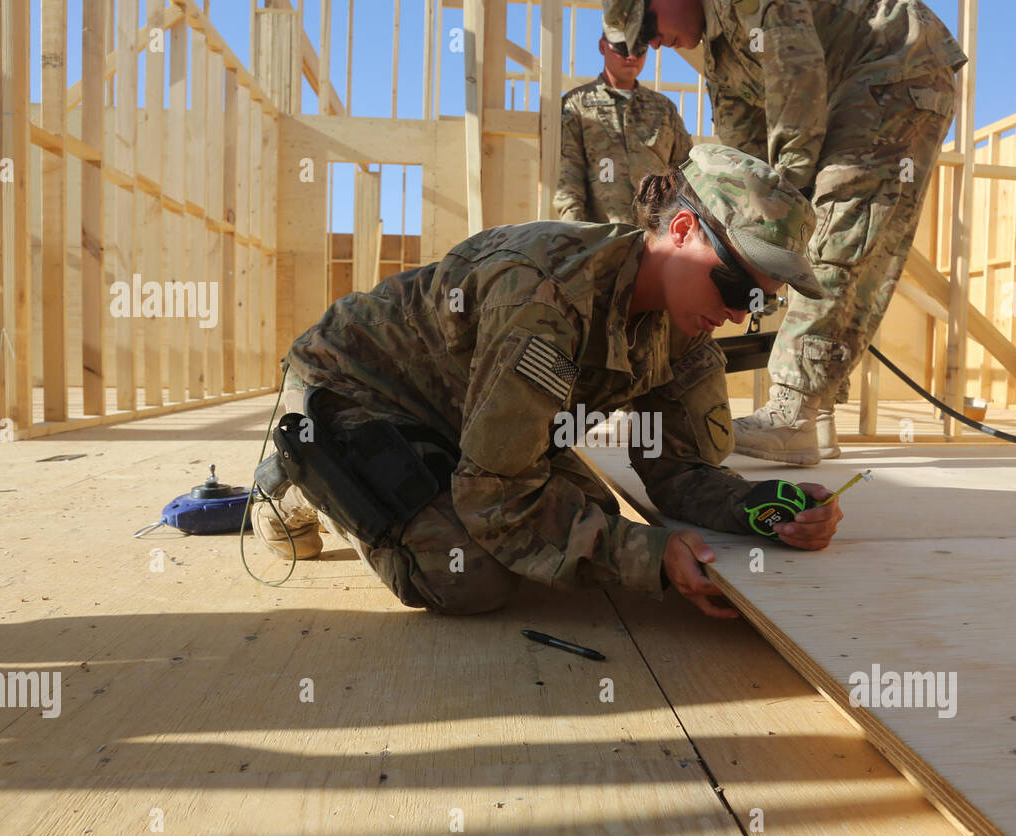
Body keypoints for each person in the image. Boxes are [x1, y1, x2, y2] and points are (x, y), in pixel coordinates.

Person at [253, 144, 844, 619]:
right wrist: (650, 557)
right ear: (684, 229)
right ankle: (305, 477)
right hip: (359, 386)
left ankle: (400, 476)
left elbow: (679, 471)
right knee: (465, 573)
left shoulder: (686, 323)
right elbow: (494, 495)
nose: (741, 313)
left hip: (467, 413)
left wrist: (758, 507)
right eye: (738, 286)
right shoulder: (544, 299)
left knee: (588, 513)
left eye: (763, 301)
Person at [602, 0, 967, 464]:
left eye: (648, 25)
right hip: (849, 84)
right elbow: (746, 170)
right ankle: (817, 412)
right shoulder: (720, 55)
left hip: (896, 68)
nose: (651, 44)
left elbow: (800, 88)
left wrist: (780, 218)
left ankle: (794, 412)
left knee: (842, 225)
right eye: (639, 41)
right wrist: (744, 240)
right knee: (808, 234)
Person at [555, 29, 693, 224]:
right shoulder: (576, 105)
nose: (631, 56)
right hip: (602, 235)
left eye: (639, 49)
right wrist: (576, 233)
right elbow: (569, 179)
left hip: (656, 235)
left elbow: (686, 174)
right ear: (602, 46)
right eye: (622, 48)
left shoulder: (664, 108)